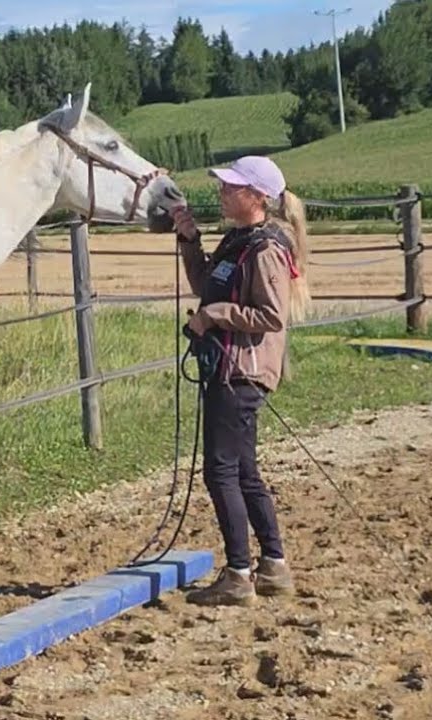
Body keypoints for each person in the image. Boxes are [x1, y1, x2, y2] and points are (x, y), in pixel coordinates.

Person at [150, 155, 312, 606]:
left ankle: (239, 573)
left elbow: (270, 316)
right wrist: (190, 241)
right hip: (228, 366)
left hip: (239, 370)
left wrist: (213, 317)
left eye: (231, 187)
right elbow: (208, 282)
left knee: (221, 472)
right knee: (243, 471)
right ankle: (273, 566)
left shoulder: (264, 250)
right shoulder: (239, 241)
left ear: (257, 197)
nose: (222, 192)